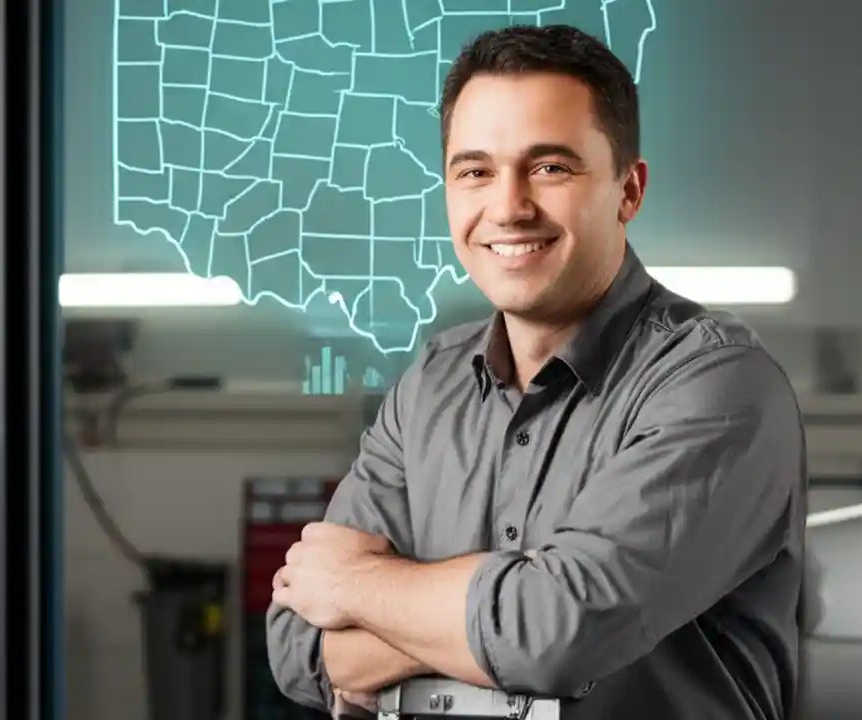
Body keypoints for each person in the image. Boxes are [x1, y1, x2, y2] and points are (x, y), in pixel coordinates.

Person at [266, 24, 807, 719]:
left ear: (628, 190)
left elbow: (556, 635)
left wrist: (357, 585)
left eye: (550, 167)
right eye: (475, 171)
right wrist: (496, 612)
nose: (509, 206)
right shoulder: (430, 386)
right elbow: (296, 647)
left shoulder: (717, 385)